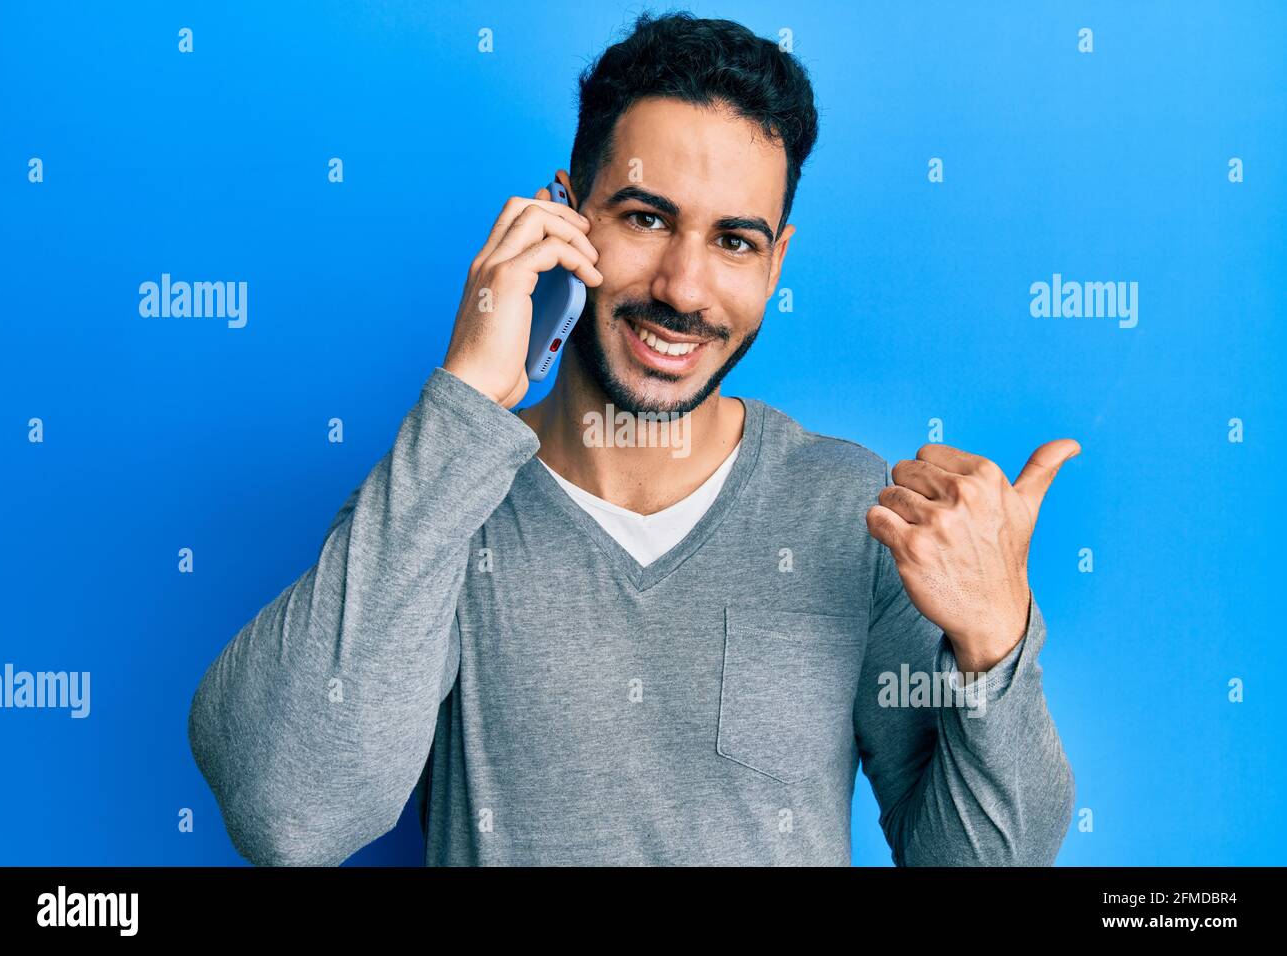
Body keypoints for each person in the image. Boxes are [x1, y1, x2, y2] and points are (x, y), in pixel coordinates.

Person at [188, 10, 1076, 866]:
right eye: (646, 218)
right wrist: (466, 399)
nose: (686, 288)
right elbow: (288, 819)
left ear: (775, 264)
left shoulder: (851, 514)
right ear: (564, 217)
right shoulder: (444, 494)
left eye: (734, 240)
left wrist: (997, 641)